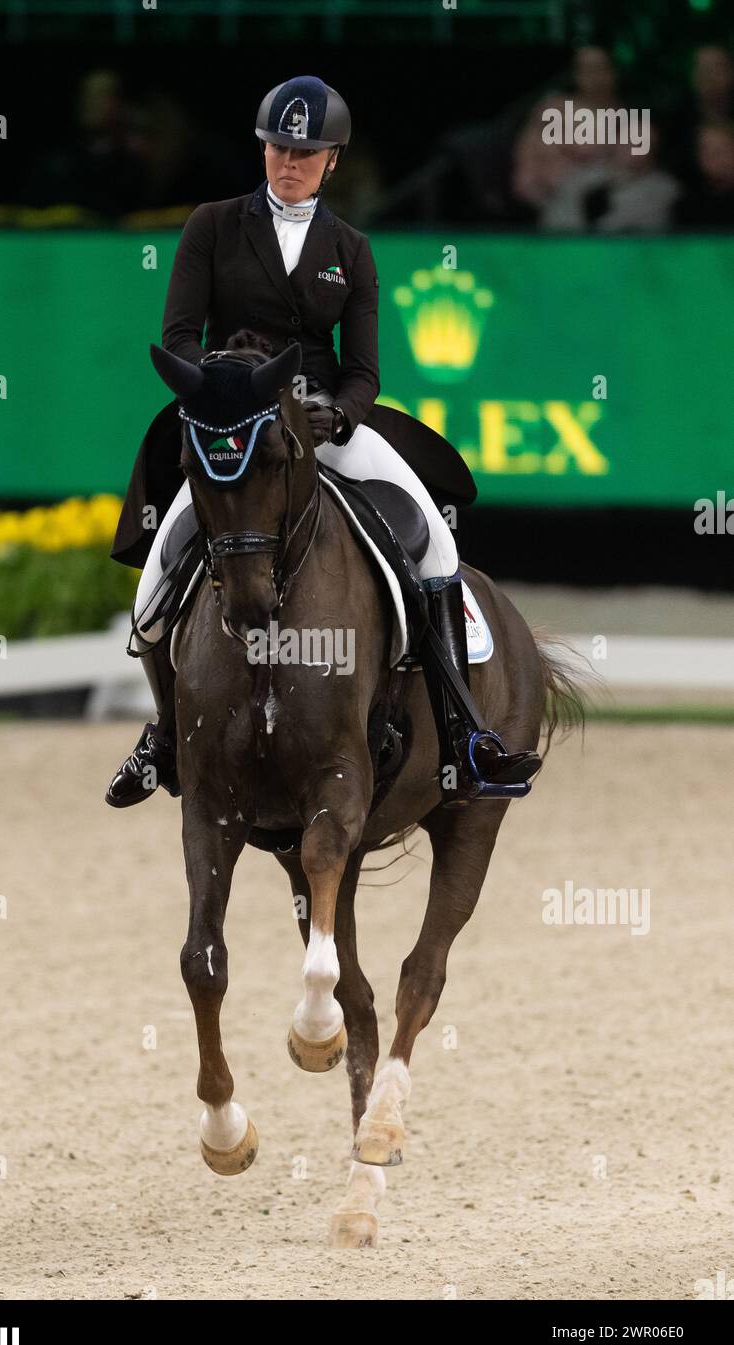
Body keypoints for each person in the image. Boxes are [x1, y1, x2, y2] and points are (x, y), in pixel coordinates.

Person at [106, 75, 540, 808]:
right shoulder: (211, 225)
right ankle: (165, 736)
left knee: (434, 542)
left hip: (318, 424)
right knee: (158, 573)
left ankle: (467, 737)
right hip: (233, 426)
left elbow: (365, 371)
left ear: (332, 160)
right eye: (278, 146)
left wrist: (335, 417)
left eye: (305, 153)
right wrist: (224, 383)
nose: (289, 162)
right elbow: (179, 337)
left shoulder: (351, 248)